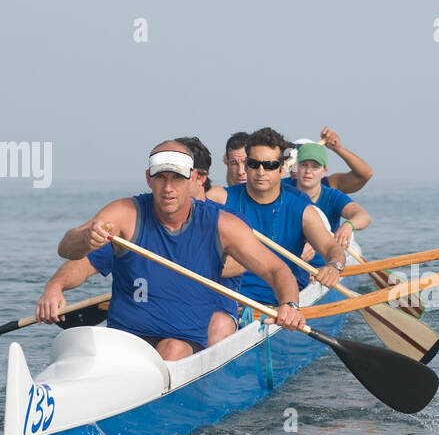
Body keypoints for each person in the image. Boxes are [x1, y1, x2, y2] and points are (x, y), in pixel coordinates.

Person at [40, 139, 307, 361]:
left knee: (172, 349)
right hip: (125, 342)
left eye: (177, 179)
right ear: (148, 179)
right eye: (161, 178)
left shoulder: (222, 224)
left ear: (192, 179)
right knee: (79, 344)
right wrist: (55, 286)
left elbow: (275, 269)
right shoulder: (125, 214)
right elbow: (70, 251)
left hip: (183, 346)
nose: (168, 188)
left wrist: (290, 304)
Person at [221, 127, 347, 304]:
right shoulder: (220, 199)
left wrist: (334, 267)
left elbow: (332, 249)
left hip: (280, 303)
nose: (261, 172)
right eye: (254, 164)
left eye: (270, 165)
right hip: (228, 301)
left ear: (282, 169)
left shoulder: (302, 210)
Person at [283, 142, 371, 250]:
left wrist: (348, 225)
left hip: (325, 258)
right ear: (297, 167)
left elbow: (364, 216)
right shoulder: (281, 187)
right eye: (304, 165)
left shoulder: (332, 196)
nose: (308, 171)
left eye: (315, 167)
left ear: (324, 172)